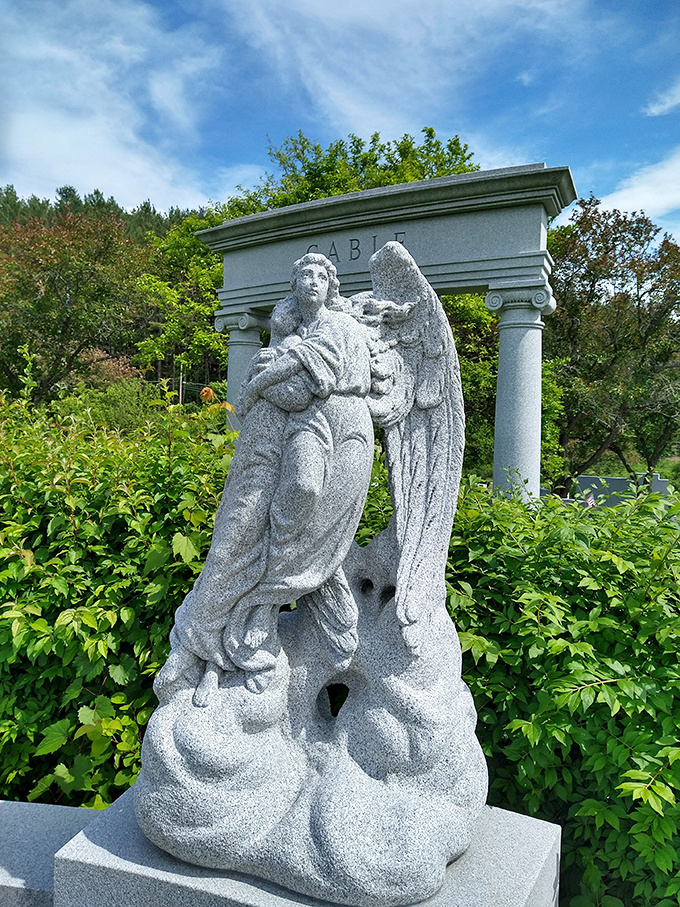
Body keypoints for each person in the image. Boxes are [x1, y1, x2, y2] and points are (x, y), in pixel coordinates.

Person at [159, 254, 376, 699]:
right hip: (306, 428)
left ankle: (254, 626)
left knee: (311, 520)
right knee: (268, 520)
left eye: (321, 275)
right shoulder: (290, 340)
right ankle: (233, 638)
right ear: (294, 285)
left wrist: (261, 380)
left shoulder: (339, 328)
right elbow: (294, 392)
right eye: (304, 275)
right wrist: (275, 368)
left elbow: (309, 384)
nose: (312, 282)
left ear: (331, 285)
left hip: (347, 430)